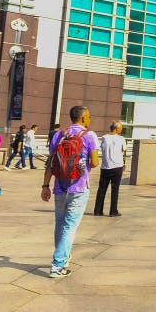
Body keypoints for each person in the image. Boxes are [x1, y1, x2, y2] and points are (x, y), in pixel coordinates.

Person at [41, 106, 99, 278]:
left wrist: (45, 186)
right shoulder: (89, 135)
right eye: (88, 116)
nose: (89, 119)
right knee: (70, 226)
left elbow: (51, 162)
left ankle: (63, 259)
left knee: (60, 223)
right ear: (83, 118)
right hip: (79, 187)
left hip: (59, 186)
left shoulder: (60, 135)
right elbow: (95, 162)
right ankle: (58, 265)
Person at [93, 121, 126, 217]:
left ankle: (98, 210)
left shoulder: (104, 138)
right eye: (120, 128)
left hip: (105, 167)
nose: (121, 129)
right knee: (115, 189)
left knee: (102, 189)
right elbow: (123, 150)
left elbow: (102, 149)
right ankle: (113, 211)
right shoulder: (121, 139)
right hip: (117, 167)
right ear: (116, 129)